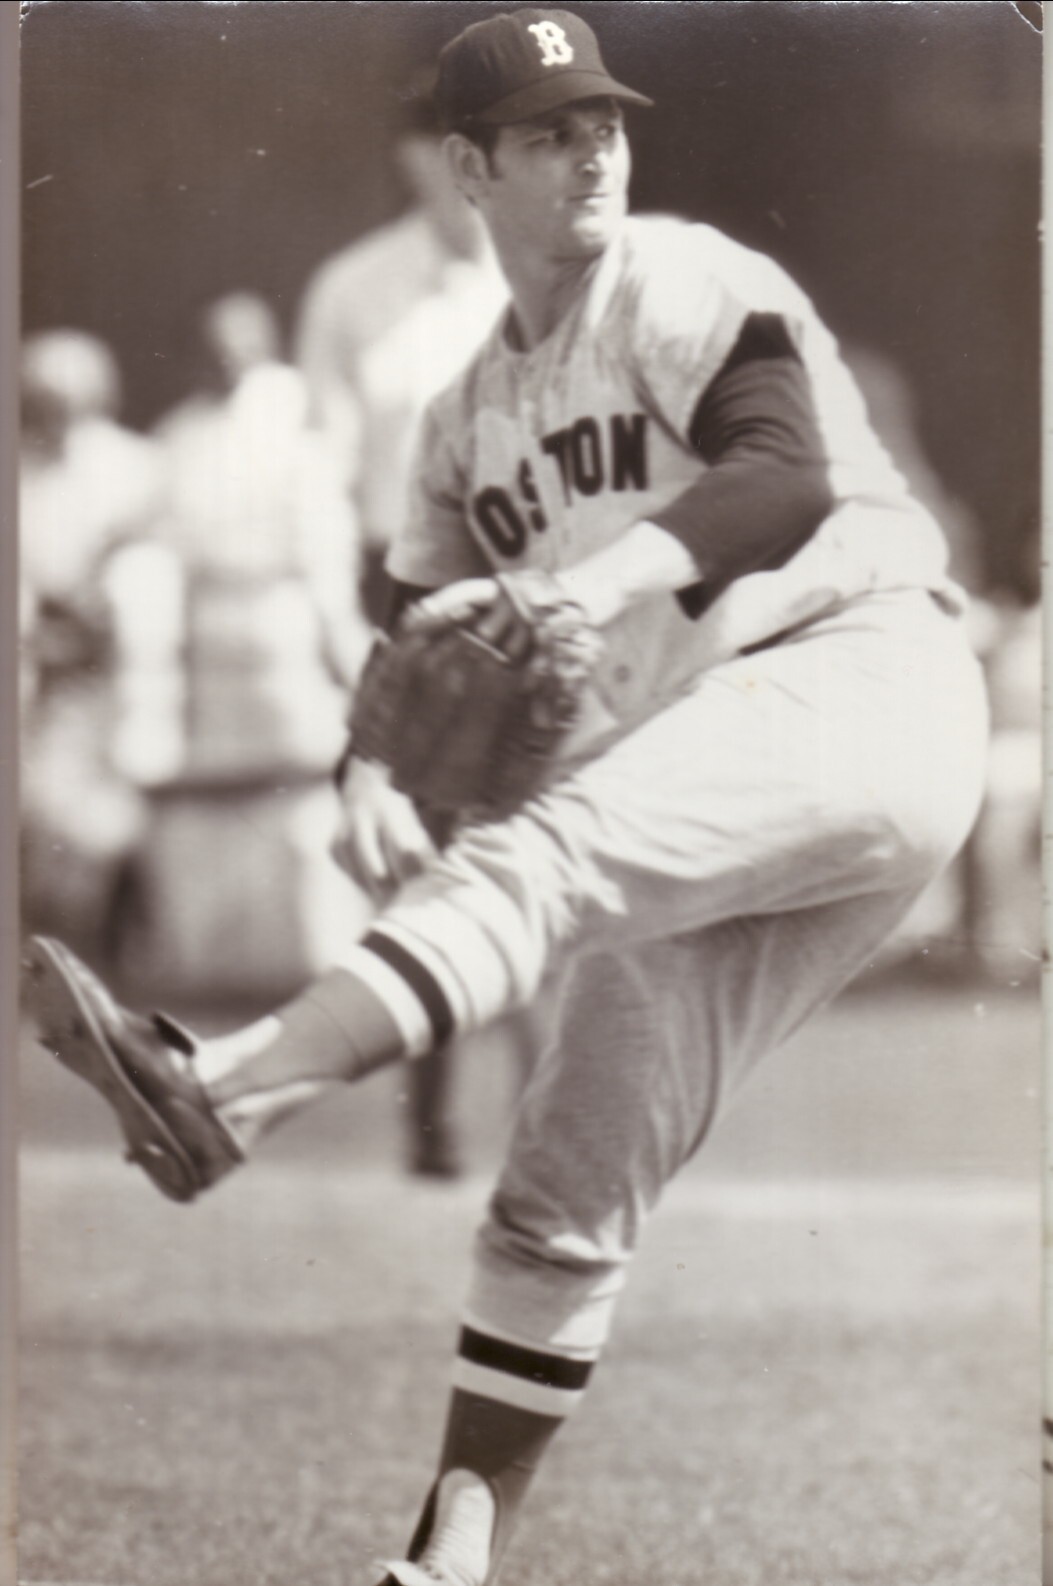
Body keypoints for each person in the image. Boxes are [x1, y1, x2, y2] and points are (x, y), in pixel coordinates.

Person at [25, 12, 989, 1584]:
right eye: (545, 133)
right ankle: (446, 1560)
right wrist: (363, 763)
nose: (591, 148)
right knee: (562, 1175)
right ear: (466, 170)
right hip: (717, 765)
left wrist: (598, 586)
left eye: (601, 120)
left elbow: (779, 472)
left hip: (863, 674)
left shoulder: (682, 278)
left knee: (546, 854)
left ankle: (230, 1082)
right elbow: (401, 607)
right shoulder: (465, 420)